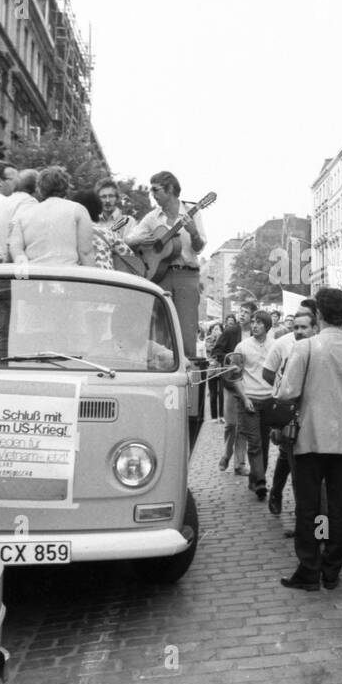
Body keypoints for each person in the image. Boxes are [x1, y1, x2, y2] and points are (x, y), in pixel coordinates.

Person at [277, 288, 342, 592]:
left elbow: (287, 392)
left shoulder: (306, 348)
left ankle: (311, 566)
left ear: (318, 315)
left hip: (310, 439)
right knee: (339, 505)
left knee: (311, 507)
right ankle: (332, 566)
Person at [126, 171, 206, 359]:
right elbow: (129, 240)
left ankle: (187, 379)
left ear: (170, 189)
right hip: (160, 276)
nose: (152, 194)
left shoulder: (192, 212)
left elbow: (199, 247)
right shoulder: (152, 218)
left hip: (187, 276)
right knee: (160, 332)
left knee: (186, 332)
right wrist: (144, 240)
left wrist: (193, 233)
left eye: (156, 190)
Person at [262, 303, 318, 516]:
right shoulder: (282, 344)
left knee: (291, 458)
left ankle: (302, 512)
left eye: (304, 327)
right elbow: (268, 373)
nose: (299, 332)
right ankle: (291, 504)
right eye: (296, 327)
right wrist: (282, 394)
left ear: (315, 327)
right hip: (288, 409)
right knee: (290, 458)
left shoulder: (318, 346)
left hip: (311, 412)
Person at [229, 311, 275, 501]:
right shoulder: (242, 346)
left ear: (267, 326)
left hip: (269, 400)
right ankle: (261, 483)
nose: (254, 325)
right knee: (255, 443)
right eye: (253, 322)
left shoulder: (275, 345)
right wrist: (243, 397)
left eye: (259, 323)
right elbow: (235, 375)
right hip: (249, 399)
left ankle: (254, 480)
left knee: (264, 443)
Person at [9, 166, 94, 267]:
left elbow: (16, 250)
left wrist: (23, 278)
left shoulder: (24, 214)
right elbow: (85, 252)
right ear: (66, 187)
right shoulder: (78, 210)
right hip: (68, 276)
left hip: (35, 276)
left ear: (39, 188)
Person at [213, 305, 252, 473]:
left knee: (243, 426)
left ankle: (240, 464)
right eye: (241, 312)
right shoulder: (230, 331)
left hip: (248, 385)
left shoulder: (256, 335)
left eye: (246, 313)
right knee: (231, 424)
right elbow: (217, 351)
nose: (242, 315)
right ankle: (226, 454)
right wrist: (230, 362)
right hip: (231, 384)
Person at [0, 169, 38, 263]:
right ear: (37, 188)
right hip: (7, 266)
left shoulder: (1, 202)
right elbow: (15, 231)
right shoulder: (28, 202)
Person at [95, 177, 137, 265]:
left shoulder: (128, 221)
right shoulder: (93, 222)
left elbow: (130, 251)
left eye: (111, 196)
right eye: (103, 197)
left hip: (121, 272)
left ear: (117, 198)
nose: (107, 200)